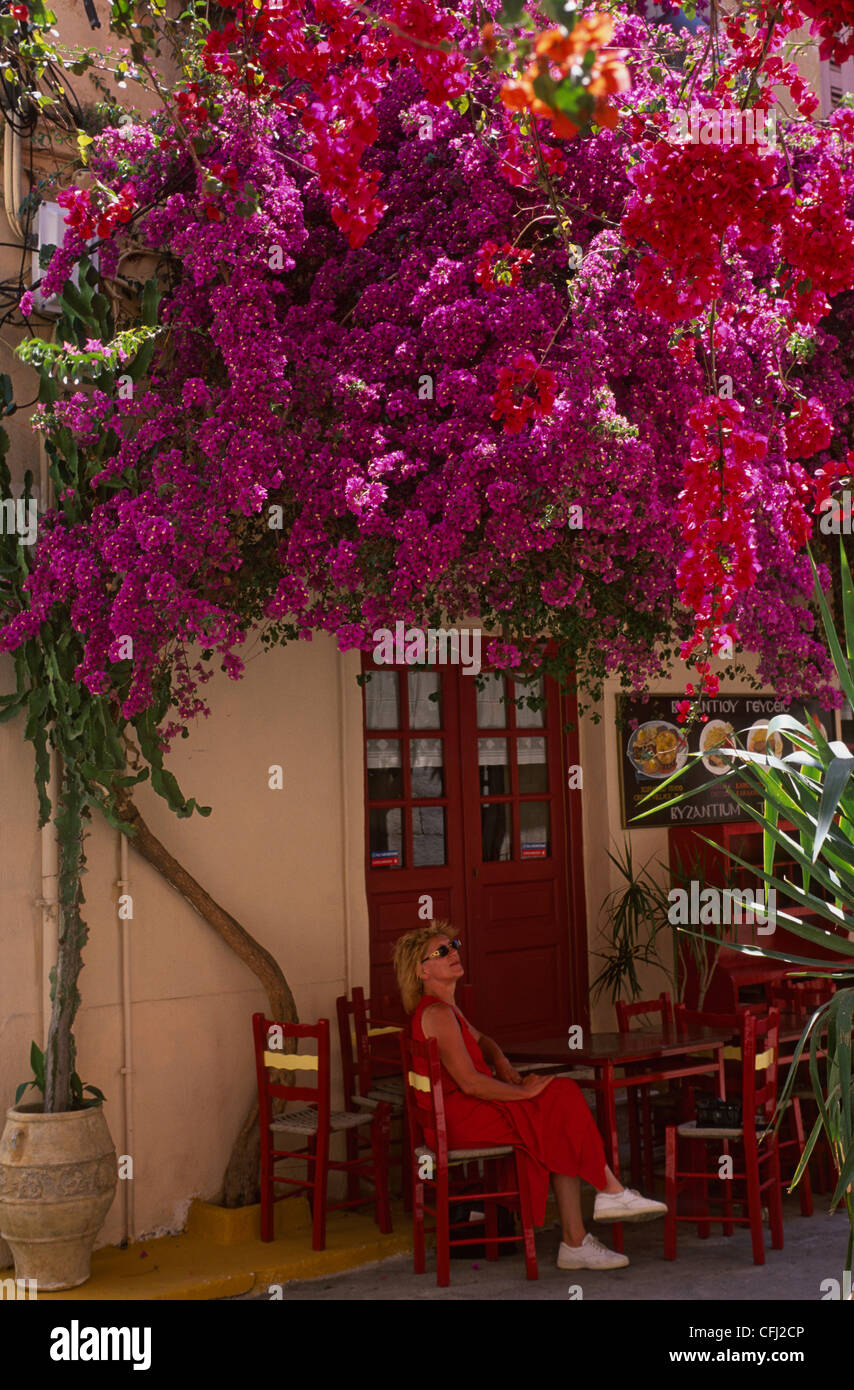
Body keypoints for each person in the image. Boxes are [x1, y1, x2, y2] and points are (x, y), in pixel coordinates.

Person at [394, 922, 667, 1270]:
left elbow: (483, 1041)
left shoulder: (447, 1009)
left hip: (461, 1113)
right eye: (442, 951)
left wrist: (501, 1061)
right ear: (422, 970)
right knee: (560, 1098)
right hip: (461, 1120)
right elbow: (471, 1084)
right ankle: (604, 1198)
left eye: (454, 945)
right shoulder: (438, 1013)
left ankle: (582, 1232)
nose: (454, 953)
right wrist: (521, 1093)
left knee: (559, 1111)